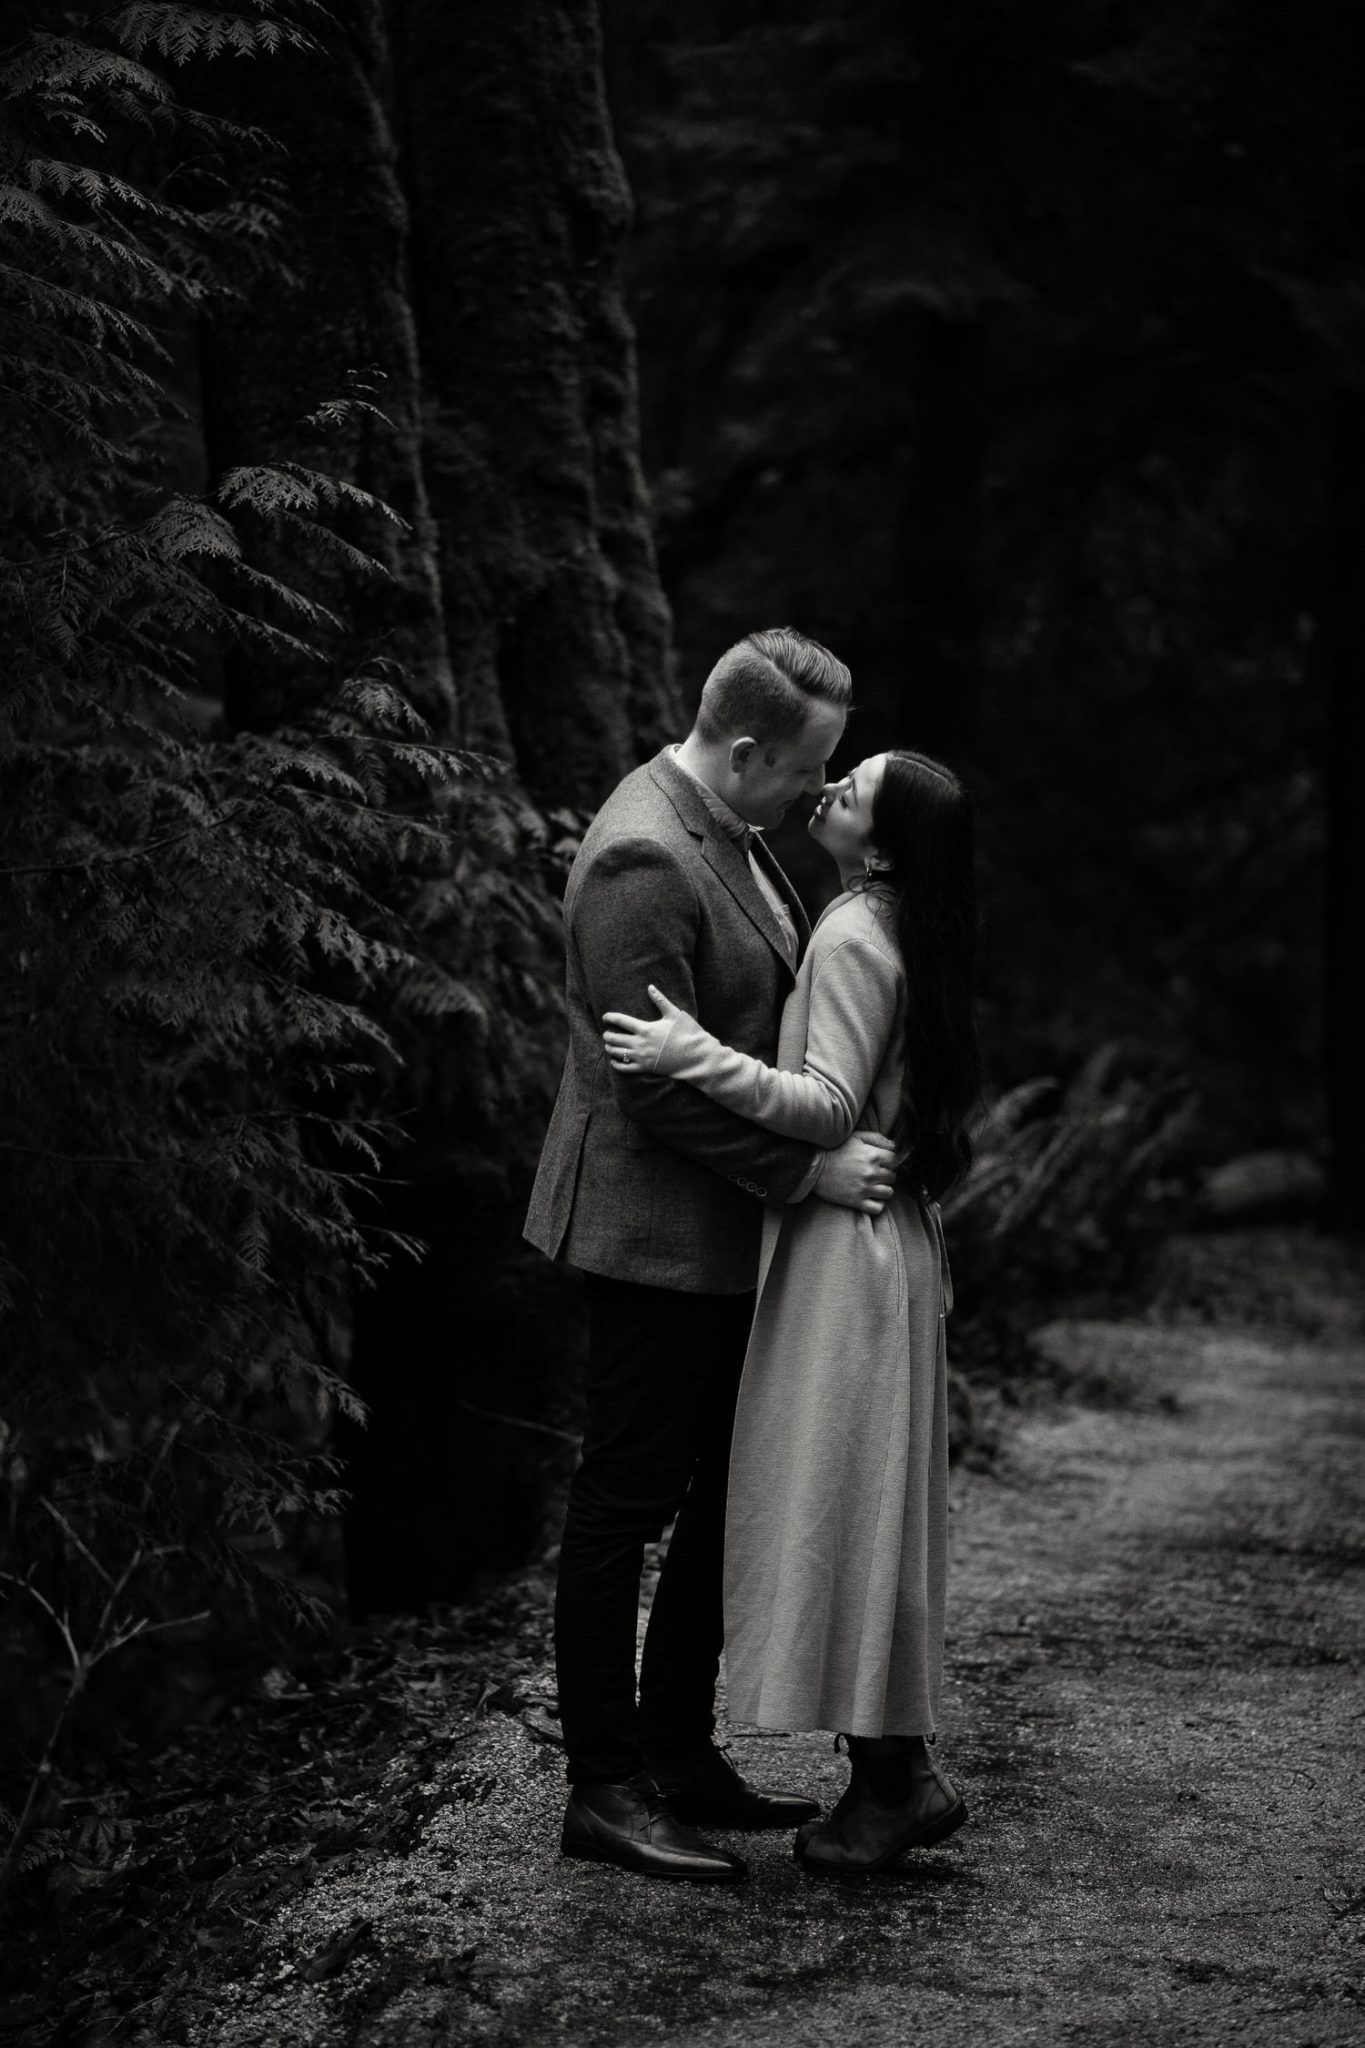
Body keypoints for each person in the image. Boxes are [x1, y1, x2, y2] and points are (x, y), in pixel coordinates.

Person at [524, 627, 899, 1883]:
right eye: (807, 770)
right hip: (645, 1231)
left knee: (714, 1494)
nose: (816, 793)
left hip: (725, 1236)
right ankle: (605, 1784)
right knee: (621, 1503)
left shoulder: (732, 825)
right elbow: (655, 1099)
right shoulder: (643, 853)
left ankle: (681, 1752)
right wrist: (808, 1171)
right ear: (744, 750)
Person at [602, 746, 983, 1874]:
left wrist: (692, 1053)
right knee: (866, 1504)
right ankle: (898, 1772)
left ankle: (889, 1785)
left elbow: (823, 1105)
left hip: (848, 1260)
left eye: (852, 786)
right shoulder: (896, 921)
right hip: (876, 1247)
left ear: (880, 843)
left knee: (847, 1503)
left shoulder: (859, 931)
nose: (828, 789)